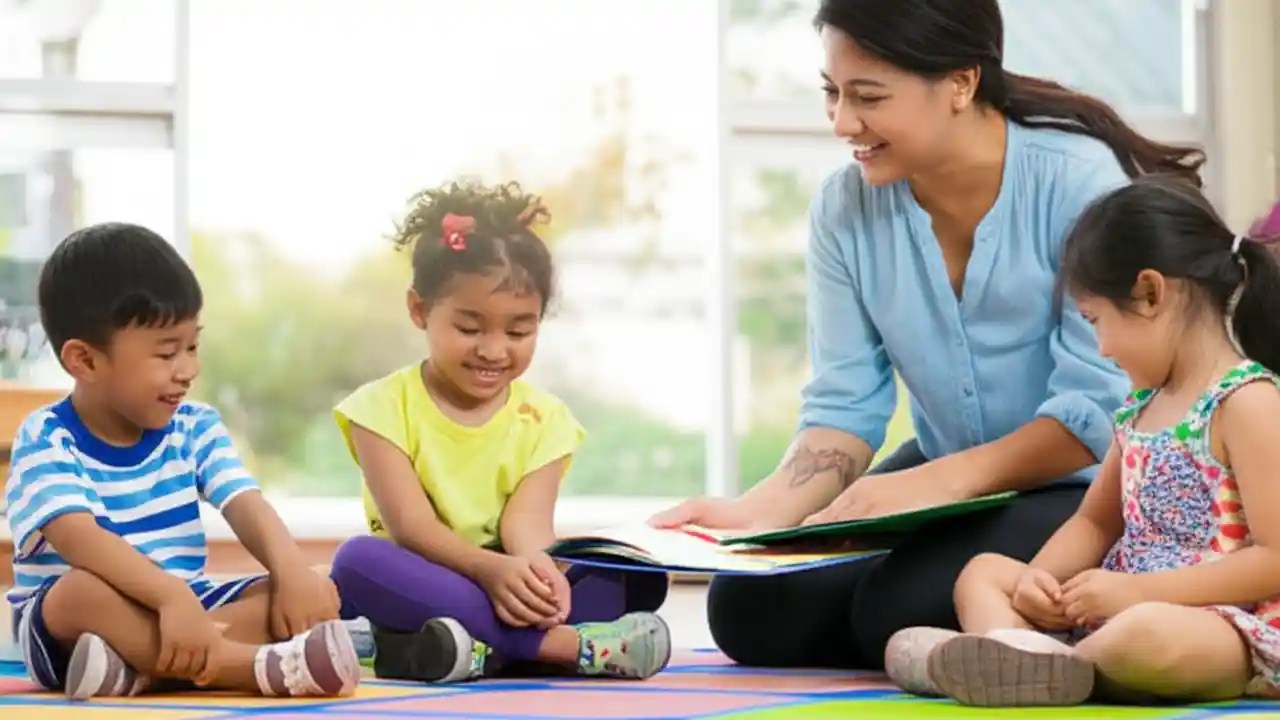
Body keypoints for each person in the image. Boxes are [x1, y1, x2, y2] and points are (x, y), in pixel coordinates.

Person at [649, 0, 1206, 669]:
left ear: (961, 83)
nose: (842, 123)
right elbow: (844, 408)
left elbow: (1097, 410)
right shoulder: (843, 208)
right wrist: (759, 513)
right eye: (832, 93)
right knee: (748, 612)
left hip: (1085, 486)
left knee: (896, 603)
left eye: (868, 97)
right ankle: (953, 627)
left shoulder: (1076, 180)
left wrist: (943, 483)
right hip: (951, 472)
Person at [886, 177, 1280, 707]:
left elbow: (1274, 557)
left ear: (1150, 292)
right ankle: (1027, 657)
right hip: (1114, 605)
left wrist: (1140, 593)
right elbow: (1094, 522)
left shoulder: (1247, 402)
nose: (1101, 347)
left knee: (1149, 635)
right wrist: (1039, 581)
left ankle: (1023, 660)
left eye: (1097, 320)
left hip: (1221, 621)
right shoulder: (1139, 409)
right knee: (983, 574)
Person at [328, 180, 671, 684]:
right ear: (419, 309)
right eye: (470, 328)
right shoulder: (378, 410)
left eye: (518, 331)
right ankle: (566, 648)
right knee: (356, 561)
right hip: (425, 574)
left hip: (502, 581)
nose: (493, 350)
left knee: (617, 576)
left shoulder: (546, 420)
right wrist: (487, 573)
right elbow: (412, 529)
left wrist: (539, 577)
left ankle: (445, 650)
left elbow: (526, 529)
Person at [5, 223, 359, 701]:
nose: (188, 370)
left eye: (192, 346)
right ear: (85, 362)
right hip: (77, 623)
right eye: (167, 353)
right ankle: (251, 667)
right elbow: (79, 539)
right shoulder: (46, 437)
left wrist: (291, 572)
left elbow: (246, 505)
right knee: (77, 593)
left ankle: (139, 669)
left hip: (185, 609)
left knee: (312, 586)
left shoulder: (194, 425)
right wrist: (167, 596)